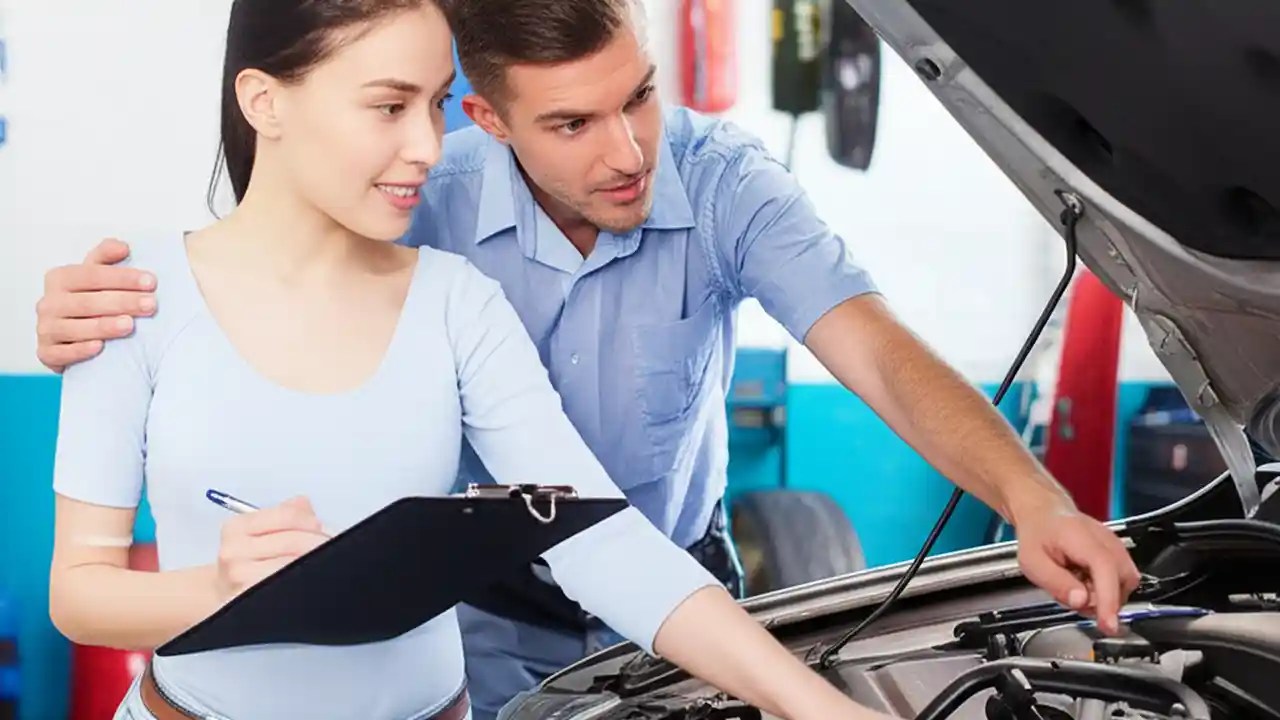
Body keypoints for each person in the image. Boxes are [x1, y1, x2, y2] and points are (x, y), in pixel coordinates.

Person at [35, 0, 1142, 717]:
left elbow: (599, 530)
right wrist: (219, 588)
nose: (626, 153)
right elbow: (79, 595)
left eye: (640, 99)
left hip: (624, 600)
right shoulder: (142, 294)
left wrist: (819, 705)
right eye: (391, 106)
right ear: (494, 118)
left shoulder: (465, 293)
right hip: (453, 630)